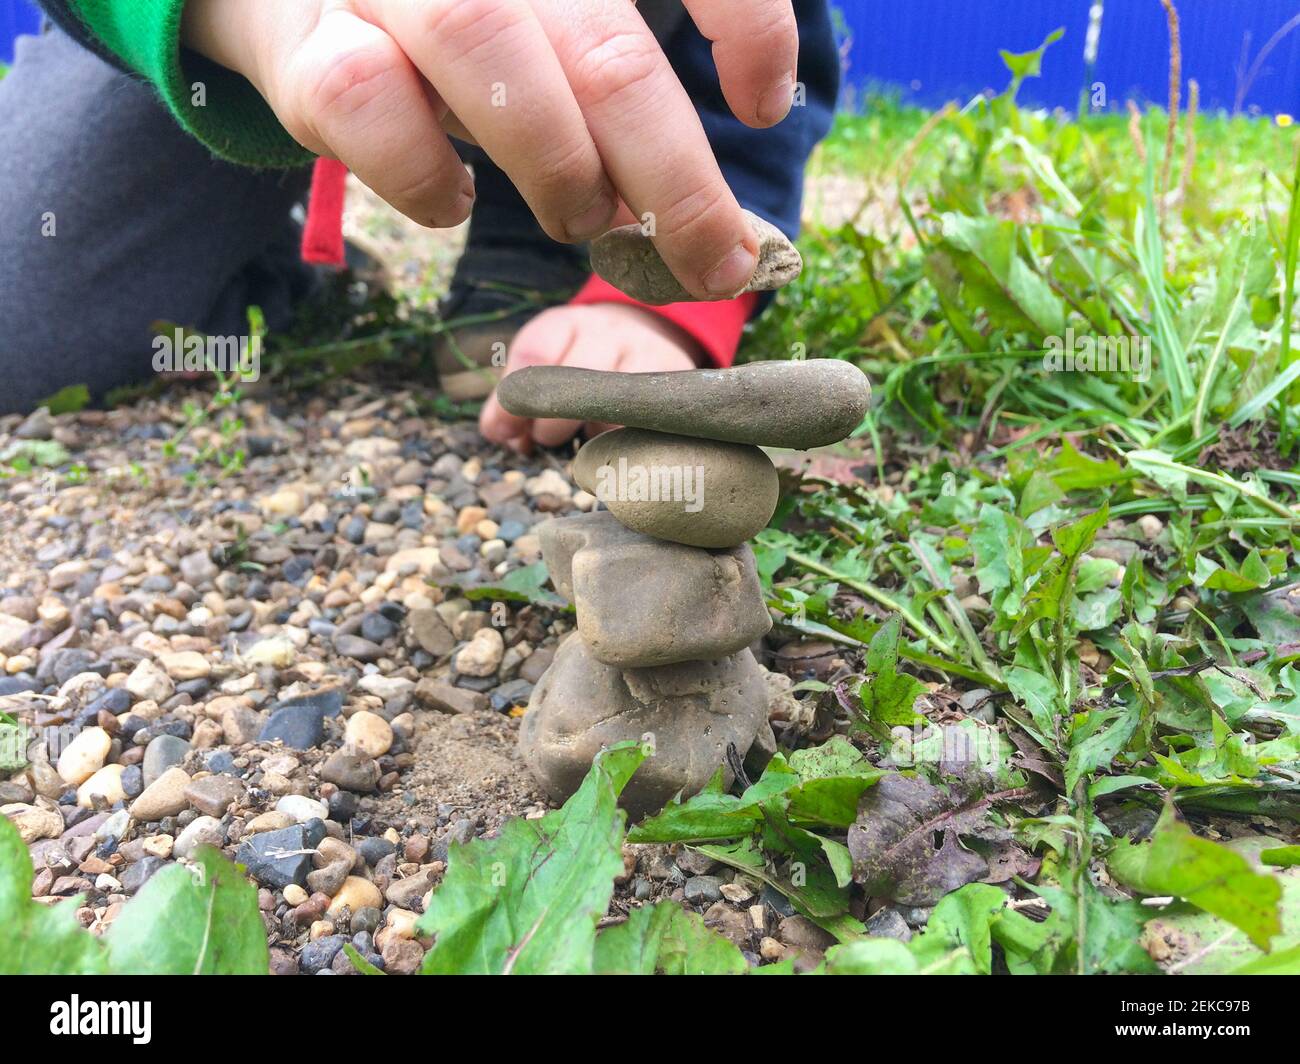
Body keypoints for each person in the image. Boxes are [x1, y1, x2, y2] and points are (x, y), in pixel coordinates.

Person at [1, 0, 837, 450]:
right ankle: (287, 225)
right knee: (26, 316)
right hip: (205, 29)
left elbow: (757, 33)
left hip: (607, 23)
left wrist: (680, 287)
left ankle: (535, 228)